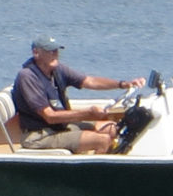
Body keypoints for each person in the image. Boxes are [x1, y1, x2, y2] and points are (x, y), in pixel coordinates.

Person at [11, 35, 146, 153]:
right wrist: (89, 113)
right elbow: (50, 117)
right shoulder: (27, 77)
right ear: (36, 53)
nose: (55, 54)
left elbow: (90, 81)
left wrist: (123, 84)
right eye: (50, 51)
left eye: (56, 50)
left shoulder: (57, 69)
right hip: (39, 136)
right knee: (102, 140)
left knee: (113, 129)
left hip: (60, 127)